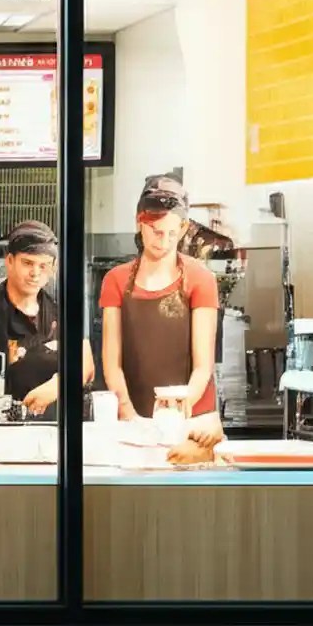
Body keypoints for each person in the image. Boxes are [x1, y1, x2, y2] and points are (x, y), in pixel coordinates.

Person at [100, 174, 222, 451]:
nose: (164, 241)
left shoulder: (200, 279)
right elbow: (112, 362)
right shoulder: (116, 281)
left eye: (172, 233)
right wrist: (128, 413)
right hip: (134, 421)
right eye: (156, 232)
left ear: (183, 228)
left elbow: (203, 366)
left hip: (194, 423)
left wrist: (180, 410)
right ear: (139, 223)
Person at [0, 221, 94, 415]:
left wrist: (60, 383)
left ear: (54, 268)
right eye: (27, 263)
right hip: (4, 422)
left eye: (43, 266)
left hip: (59, 424)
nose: (35, 273)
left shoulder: (61, 311)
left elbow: (86, 364)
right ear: (9, 261)